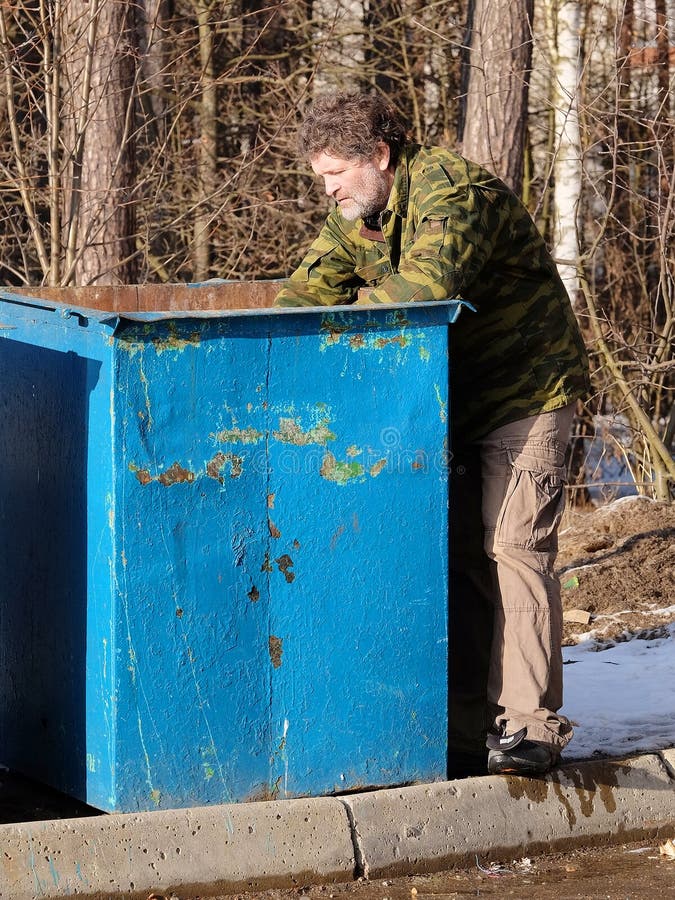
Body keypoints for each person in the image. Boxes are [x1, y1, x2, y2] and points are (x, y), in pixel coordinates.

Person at [274, 90, 590, 777]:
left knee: (512, 547)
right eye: (320, 175)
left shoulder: (453, 191)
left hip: (528, 393)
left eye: (335, 173)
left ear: (379, 156)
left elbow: (420, 293)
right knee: (460, 558)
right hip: (451, 403)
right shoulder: (356, 215)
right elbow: (299, 299)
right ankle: (468, 728)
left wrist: (348, 314)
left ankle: (530, 728)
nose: (325, 189)